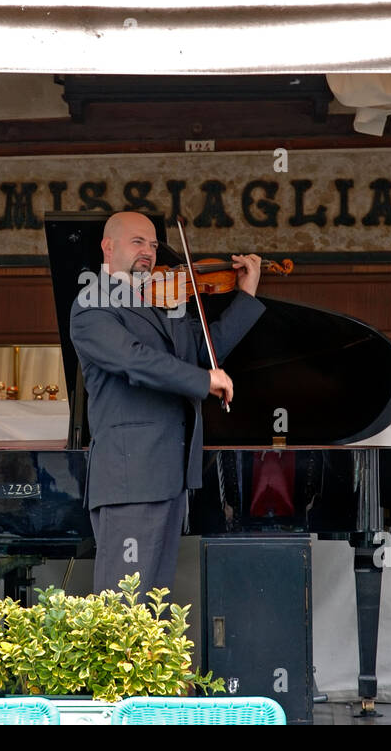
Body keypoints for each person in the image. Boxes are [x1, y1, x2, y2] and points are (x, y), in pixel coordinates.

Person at [69, 211, 265, 595]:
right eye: (137, 242)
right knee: (123, 605)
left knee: (153, 603)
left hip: (169, 474)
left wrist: (247, 294)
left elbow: (207, 352)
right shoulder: (92, 305)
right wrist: (204, 381)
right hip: (130, 478)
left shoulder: (166, 303)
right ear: (108, 247)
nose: (149, 251)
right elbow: (134, 360)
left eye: (154, 244)